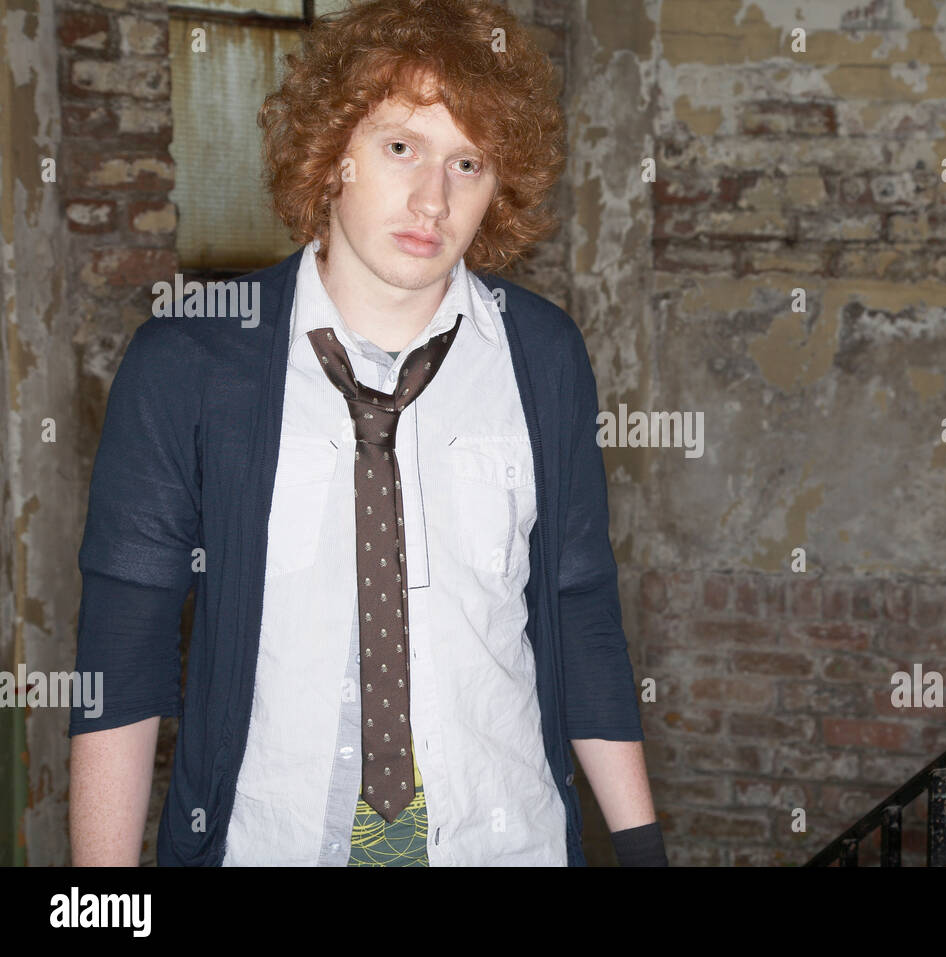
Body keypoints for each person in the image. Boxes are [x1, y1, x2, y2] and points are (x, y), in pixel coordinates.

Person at [68, 0, 666, 867]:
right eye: (401, 147)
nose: (435, 197)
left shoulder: (543, 356)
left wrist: (643, 848)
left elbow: (580, 610)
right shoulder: (190, 360)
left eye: (469, 161)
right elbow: (120, 665)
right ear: (333, 149)